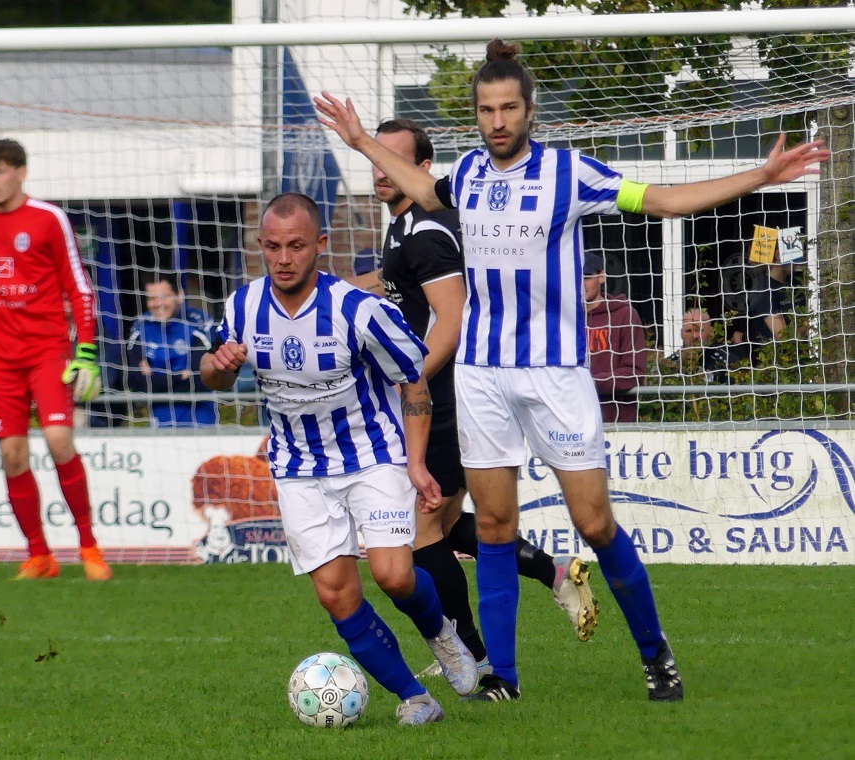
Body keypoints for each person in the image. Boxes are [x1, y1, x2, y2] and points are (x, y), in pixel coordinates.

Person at [315, 38, 827, 702]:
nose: (496, 121)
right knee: (494, 526)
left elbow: (665, 201)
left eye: (507, 108)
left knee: (593, 523)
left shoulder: (568, 173)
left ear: (529, 111)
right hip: (479, 372)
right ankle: (504, 675)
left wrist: (758, 176)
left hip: (555, 374)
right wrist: (358, 139)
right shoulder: (467, 175)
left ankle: (654, 651)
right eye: (485, 110)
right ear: (475, 116)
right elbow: (420, 185)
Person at [201, 192, 478, 726]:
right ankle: (416, 698)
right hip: (299, 468)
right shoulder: (241, 308)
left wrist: (417, 464)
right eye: (274, 247)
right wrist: (219, 363)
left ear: (320, 246)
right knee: (336, 595)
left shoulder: (359, 309)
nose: (284, 258)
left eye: (297, 246)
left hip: (373, 456)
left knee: (395, 576)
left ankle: (440, 632)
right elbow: (213, 374)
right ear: (262, 246)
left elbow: (413, 378)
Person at [354, 119, 598, 681]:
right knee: (455, 520)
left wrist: (414, 375)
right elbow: (406, 286)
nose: (381, 169)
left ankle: (474, 655)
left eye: (395, 159)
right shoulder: (404, 227)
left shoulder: (428, 229)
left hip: (442, 397)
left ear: (423, 170)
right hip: (436, 394)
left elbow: (454, 313)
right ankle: (556, 576)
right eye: (376, 158)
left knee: (422, 533)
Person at [0, 138, 112, 582]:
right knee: (12, 455)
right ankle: (39, 556)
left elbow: (80, 288)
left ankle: (89, 547)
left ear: (21, 172)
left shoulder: (49, 219)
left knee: (57, 440)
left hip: (47, 351)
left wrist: (86, 353)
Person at [126, 272, 216, 427]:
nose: (158, 303)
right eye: (152, 298)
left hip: (201, 421)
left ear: (179, 296)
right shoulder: (140, 327)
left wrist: (155, 376)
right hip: (159, 424)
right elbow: (135, 381)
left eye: (164, 297)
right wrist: (180, 377)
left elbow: (202, 380)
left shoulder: (200, 323)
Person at [583, 251, 647, 423]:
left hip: (616, 423)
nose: (580, 284)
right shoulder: (563, 319)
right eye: (574, 277)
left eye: (586, 277)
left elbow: (634, 373)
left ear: (601, 276)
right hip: (572, 423)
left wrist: (586, 383)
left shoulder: (624, 315)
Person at [680, 307, 744, 384]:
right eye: (688, 331)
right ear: (681, 334)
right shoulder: (673, 364)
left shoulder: (728, 363)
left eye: (699, 330)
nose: (694, 336)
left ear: (711, 332)